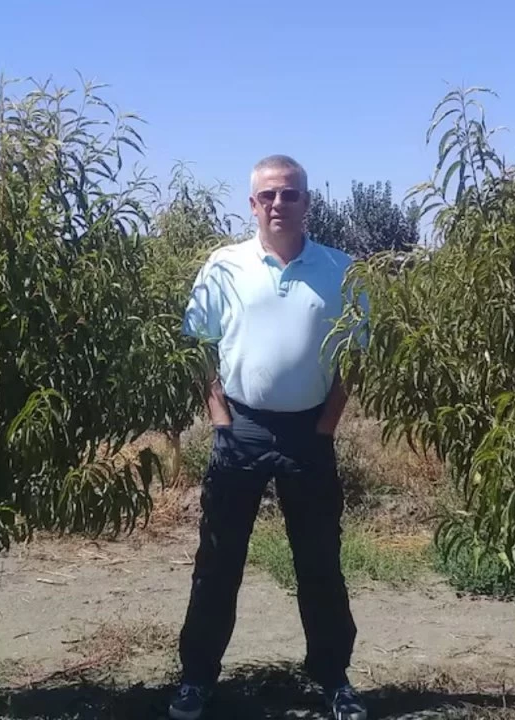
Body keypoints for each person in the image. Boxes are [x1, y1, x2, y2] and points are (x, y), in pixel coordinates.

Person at [168, 154, 368, 720]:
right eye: (268, 195)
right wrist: (220, 420)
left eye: (290, 194)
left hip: (309, 432)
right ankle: (196, 678)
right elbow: (198, 348)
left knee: (320, 563)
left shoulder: (342, 271)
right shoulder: (224, 265)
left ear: (307, 202)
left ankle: (333, 678)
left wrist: (325, 428)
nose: (279, 204)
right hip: (242, 429)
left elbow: (356, 358)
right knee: (217, 561)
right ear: (253, 204)